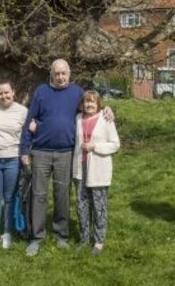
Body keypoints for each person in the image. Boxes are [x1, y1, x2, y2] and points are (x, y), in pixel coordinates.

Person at [19, 58, 113, 257]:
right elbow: (29, 121)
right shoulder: (41, 92)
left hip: (66, 153)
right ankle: (37, 236)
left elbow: (92, 106)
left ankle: (61, 234)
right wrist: (25, 150)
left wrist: (107, 109)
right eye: (57, 73)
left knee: (62, 195)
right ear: (51, 74)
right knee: (39, 195)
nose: (60, 77)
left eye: (64, 73)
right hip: (41, 152)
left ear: (69, 74)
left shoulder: (77, 92)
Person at [72, 89, 120, 256]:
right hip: (80, 168)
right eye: (86, 101)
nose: (89, 104)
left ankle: (99, 241)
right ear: (82, 104)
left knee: (99, 206)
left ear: (98, 103)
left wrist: (95, 147)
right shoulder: (78, 119)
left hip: (98, 168)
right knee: (82, 205)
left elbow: (115, 144)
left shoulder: (105, 119)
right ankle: (84, 238)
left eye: (92, 101)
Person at [0, 80, 28, 250]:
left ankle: (7, 232)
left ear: (13, 92)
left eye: (7, 92)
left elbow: (28, 134)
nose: (4, 96)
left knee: (9, 198)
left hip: (13, 159)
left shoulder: (23, 111)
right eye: (0, 93)